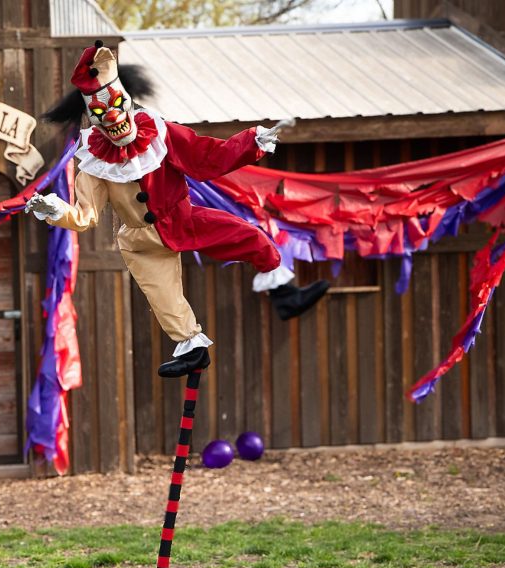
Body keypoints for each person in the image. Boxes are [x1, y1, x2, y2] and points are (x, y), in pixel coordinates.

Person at [26, 42, 327, 377]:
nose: (110, 118)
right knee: (165, 301)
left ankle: (285, 294)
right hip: (140, 243)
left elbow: (204, 157)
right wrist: (54, 210)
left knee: (247, 235)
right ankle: (193, 350)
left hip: (182, 219)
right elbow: (85, 216)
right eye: (99, 114)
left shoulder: (160, 132)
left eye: (113, 106)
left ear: (126, 101)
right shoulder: (95, 162)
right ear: (92, 120)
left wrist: (250, 144)